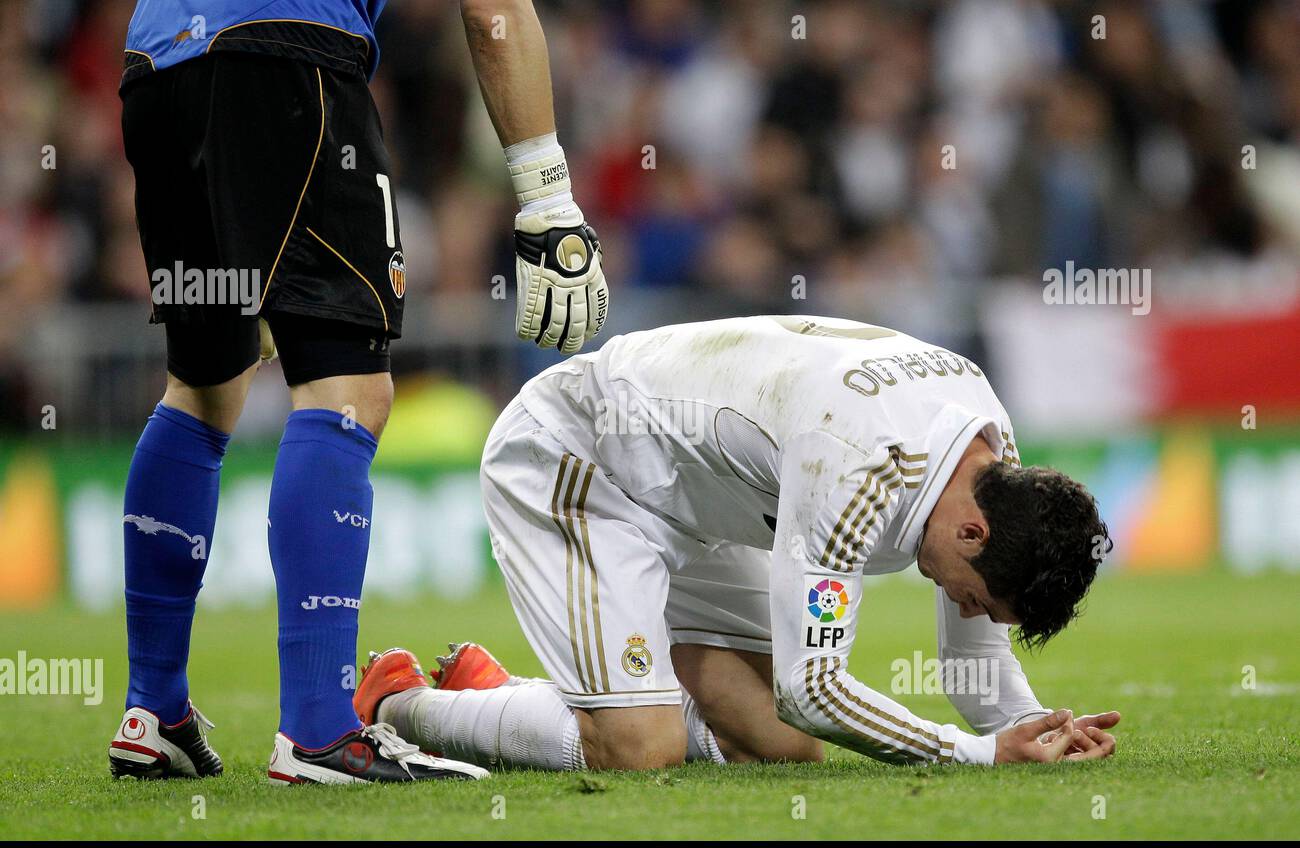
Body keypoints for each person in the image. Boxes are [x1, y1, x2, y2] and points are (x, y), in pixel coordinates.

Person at [109, 0, 608, 784]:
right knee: (347, 387)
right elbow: (493, 12)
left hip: (157, 72)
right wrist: (548, 202)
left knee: (204, 385)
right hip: (286, 60)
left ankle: (153, 711)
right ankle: (316, 730)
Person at [356, 315, 1120, 771]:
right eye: (973, 596)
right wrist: (978, 754)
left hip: (703, 495)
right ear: (972, 530)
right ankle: (403, 707)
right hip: (583, 458)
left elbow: (975, 670)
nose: (960, 605)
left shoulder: (989, 458)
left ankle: (504, 692)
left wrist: (1039, 728)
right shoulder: (861, 466)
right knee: (639, 747)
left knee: (778, 748)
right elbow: (812, 686)